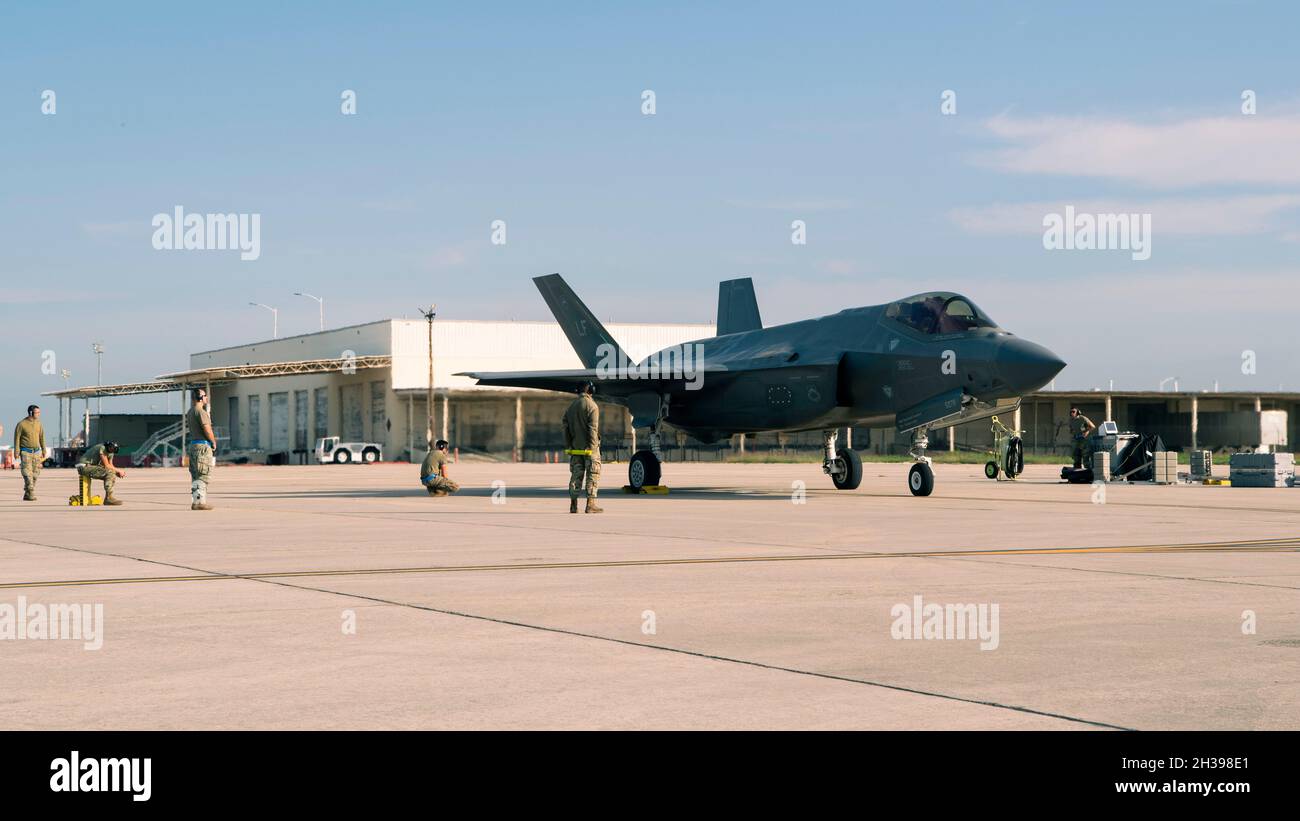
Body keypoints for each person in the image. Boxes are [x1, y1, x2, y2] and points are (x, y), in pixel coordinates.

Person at [562, 381, 602, 513]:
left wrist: (569, 445)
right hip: (589, 449)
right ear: (591, 390)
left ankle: (573, 505)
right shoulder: (592, 406)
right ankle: (590, 504)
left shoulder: (571, 407)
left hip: (575, 448)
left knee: (576, 475)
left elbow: (565, 427)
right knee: (593, 474)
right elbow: (592, 429)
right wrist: (592, 447)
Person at [186, 388, 217, 511]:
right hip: (203, 447)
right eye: (204, 396)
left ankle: (196, 501)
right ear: (200, 398)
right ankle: (200, 502)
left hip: (193, 445)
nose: (206, 398)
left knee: (195, 475)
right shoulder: (201, 412)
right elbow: (207, 429)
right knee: (203, 475)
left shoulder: (190, 411)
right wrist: (213, 441)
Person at [14, 405, 46, 501]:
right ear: (31, 413)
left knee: (35, 474)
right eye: (37, 412)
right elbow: (17, 439)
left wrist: (44, 449)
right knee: (27, 474)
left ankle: (27, 493)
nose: (39, 414)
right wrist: (16, 451)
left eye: (39, 412)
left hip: (36, 452)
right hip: (25, 452)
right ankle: (31, 493)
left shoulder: (39, 424)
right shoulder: (21, 424)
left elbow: (42, 437)